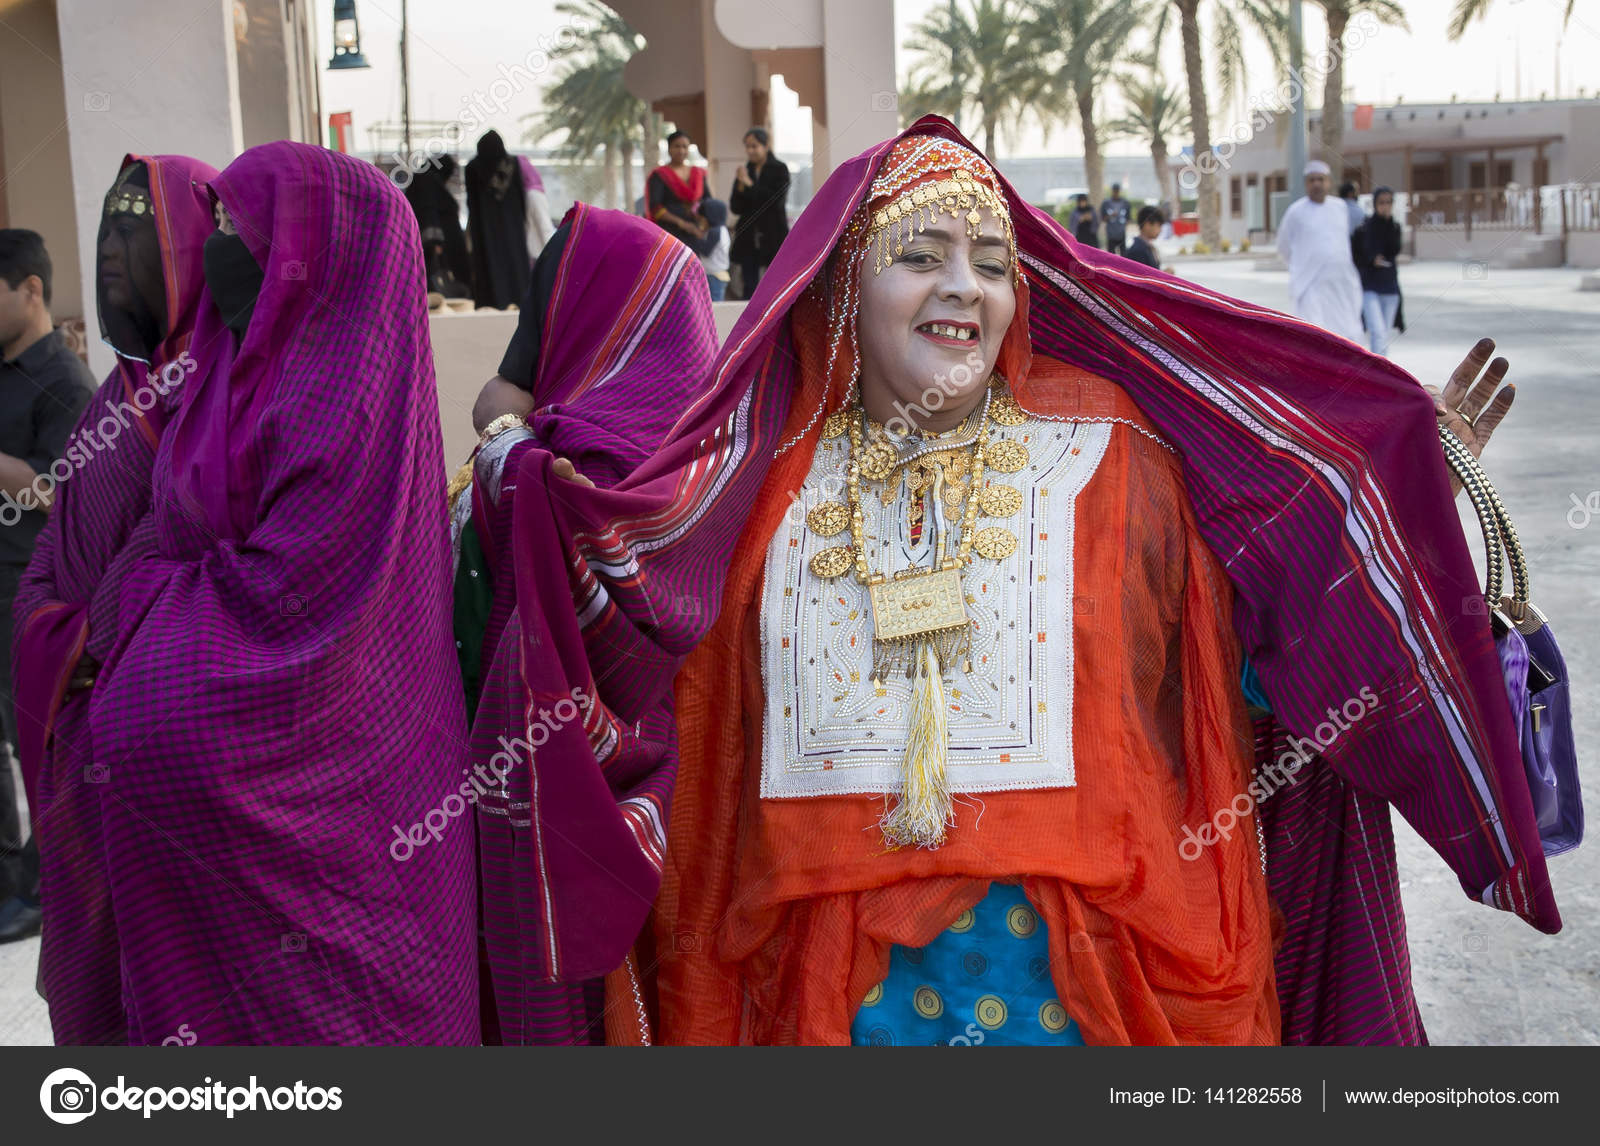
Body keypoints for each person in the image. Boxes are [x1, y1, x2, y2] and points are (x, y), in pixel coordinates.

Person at [464, 117, 1556, 1047]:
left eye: (990, 263)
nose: (962, 289)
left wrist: (1392, 509)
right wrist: (526, 491)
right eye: (921, 255)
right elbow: (656, 672)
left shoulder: (1108, 453)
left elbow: (1246, 656)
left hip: (1091, 998)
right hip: (822, 1001)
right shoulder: (757, 482)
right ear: (845, 281)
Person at [17, 141, 477, 1045]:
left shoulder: (342, 393)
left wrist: (118, 625)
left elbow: (290, 603)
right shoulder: (215, 388)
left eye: (238, 225)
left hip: (338, 829)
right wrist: (74, 634)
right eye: (216, 220)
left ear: (316, 250)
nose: (221, 242)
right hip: (196, 848)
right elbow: (152, 546)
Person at [456, 203, 717, 1044]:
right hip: (688, 832)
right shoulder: (705, 461)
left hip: (556, 819)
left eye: (547, 309)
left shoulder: (558, 467)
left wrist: (501, 433)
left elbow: (537, 515)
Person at [0, 229, 95, 944]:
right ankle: (8, 878)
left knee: (32, 737)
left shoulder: (63, 382)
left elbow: (64, 495)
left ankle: (40, 886)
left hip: (24, 589)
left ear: (30, 289)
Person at [1276, 160, 1364, 344]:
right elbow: (1283, 246)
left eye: (1321, 179)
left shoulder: (1340, 207)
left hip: (1341, 285)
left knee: (1344, 336)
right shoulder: (1295, 211)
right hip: (1310, 285)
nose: (1317, 184)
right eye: (1312, 180)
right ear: (1306, 184)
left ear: (1329, 182)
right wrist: (1302, 266)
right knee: (1315, 336)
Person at [466, 130, 539, 310]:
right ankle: (519, 302)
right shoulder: (512, 164)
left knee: (489, 264)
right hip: (512, 226)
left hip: (485, 229)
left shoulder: (473, 168)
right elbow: (521, 197)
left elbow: (471, 202)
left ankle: (491, 303)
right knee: (514, 263)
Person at [729, 127, 791, 300]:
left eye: (754, 146)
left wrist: (749, 184)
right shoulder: (745, 170)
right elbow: (735, 207)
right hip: (749, 238)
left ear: (766, 146)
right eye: (747, 147)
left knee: (774, 287)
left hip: (772, 236)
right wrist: (741, 186)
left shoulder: (779, 168)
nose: (750, 151)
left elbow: (775, 202)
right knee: (749, 287)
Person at [405, 154, 471, 300]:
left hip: (442, 244)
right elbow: (428, 210)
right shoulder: (426, 180)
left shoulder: (426, 179)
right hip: (440, 246)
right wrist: (435, 243)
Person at [1354, 186, 1405, 356]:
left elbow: (1394, 249)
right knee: (1377, 331)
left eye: (1389, 202)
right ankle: (1377, 370)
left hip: (1390, 287)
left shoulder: (1395, 226)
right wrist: (1371, 260)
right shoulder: (1365, 228)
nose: (1385, 206)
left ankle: (1382, 369)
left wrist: (1388, 221)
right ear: (1375, 204)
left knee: (1385, 334)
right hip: (1370, 286)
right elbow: (1356, 255)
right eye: (1381, 202)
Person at [646, 131, 711, 251]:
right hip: (670, 234)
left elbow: (708, 201)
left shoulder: (698, 173)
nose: (681, 151)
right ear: (669, 149)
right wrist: (682, 224)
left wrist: (702, 223)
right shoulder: (659, 175)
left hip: (694, 232)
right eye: (677, 146)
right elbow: (655, 207)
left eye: (685, 147)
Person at [696, 198, 732, 302]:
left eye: (703, 218)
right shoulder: (722, 229)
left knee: (714, 306)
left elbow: (706, 251)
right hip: (719, 274)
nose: (701, 221)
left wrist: (696, 236)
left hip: (714, 276)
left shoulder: (714, 232)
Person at [1099, 181, 1131, 254]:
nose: (1116, 193)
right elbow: (1102, 218)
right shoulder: (1106, 203)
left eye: (1117, 191)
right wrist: (1111, 216)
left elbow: (1128, 219)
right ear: (1112, 191)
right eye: (1115, 191)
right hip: (1111, 234)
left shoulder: (1125, 203)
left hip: (1121, 233)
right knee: (1111, 255)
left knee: (1123, 255)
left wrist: (1123, 225)